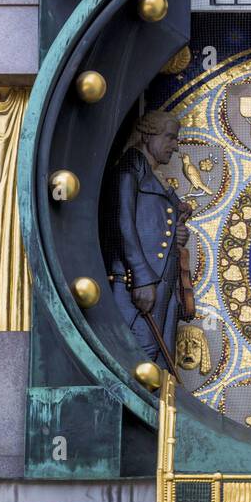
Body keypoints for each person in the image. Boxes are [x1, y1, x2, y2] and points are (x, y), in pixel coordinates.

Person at [103, 111, 193, 367]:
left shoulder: (150, 176)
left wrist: (177, 235)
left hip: (160, 285)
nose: (175, 147)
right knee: (140, 356)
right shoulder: (128, 172)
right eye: (170, 137)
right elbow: (123, 225)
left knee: (159, 362)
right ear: (147, 134)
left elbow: (153, 225)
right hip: (138, 286)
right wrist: (141, 277)